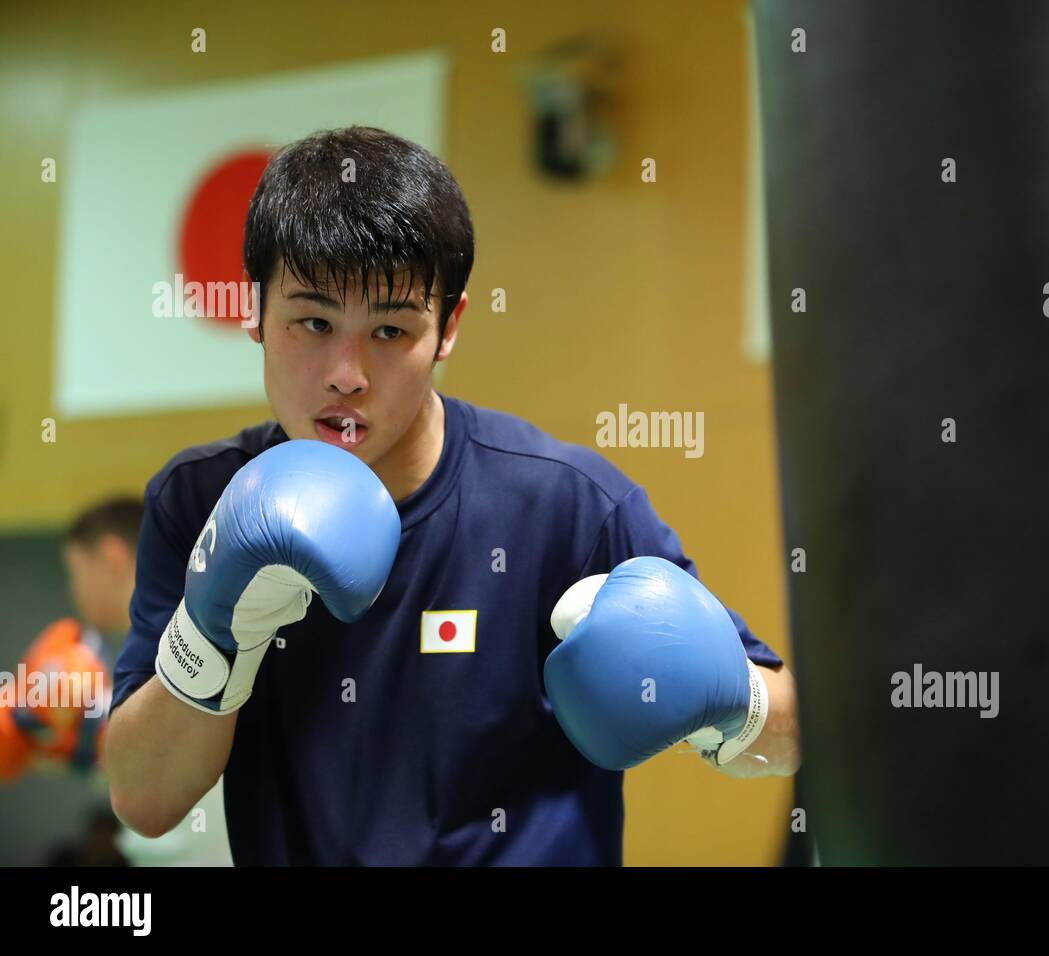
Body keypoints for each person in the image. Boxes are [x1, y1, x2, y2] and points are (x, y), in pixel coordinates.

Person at [104, 126, 801, 866]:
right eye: (313, 321)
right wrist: (213, 638)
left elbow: (796, 733)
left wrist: (726, 700)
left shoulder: (564, 506)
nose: (347, 372)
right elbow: (145, 802)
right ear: (255, 311)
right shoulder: (202, 499)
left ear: (448, 329)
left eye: (390, 329)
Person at [0, 498, 232, 865]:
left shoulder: (192, 629)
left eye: (75, 572)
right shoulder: (140, 653)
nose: (72, 591)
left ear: (111, 559)